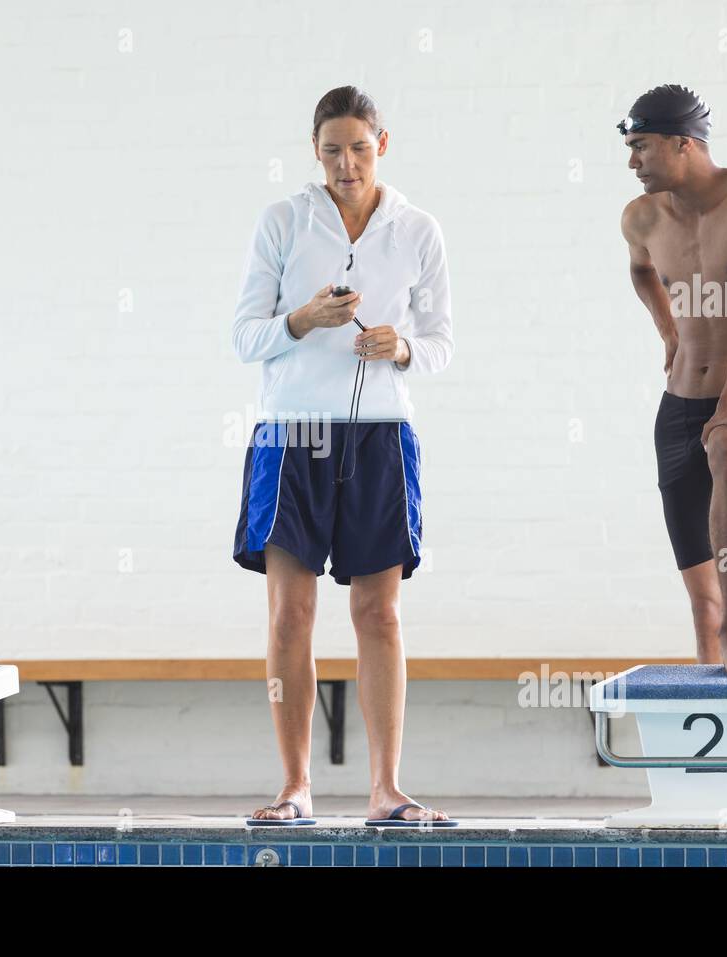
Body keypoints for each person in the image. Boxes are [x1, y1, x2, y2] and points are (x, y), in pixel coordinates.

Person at [230, 86, 456, 825]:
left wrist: (401, 347)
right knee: (290, 616)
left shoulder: (418, 229)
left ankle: (386, 787)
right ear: (315, 151)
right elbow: (244, 337)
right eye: (331, 150)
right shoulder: (284, 222)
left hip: (380, 434)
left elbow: (440, 344)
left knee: (379, 615)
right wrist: (301, 319)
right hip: (291, 434)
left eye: (359, 148)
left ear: (382, 144)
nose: (346, 164)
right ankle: (294, 785)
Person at [619, 84, 727, 677]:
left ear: (683, 144)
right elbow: (642, 273)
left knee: (726, 444)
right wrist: (668, 332)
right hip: (678, 412)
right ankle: (714, 696)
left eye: (640, 147)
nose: (632, 161)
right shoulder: (640, 217)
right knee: (701, 603)